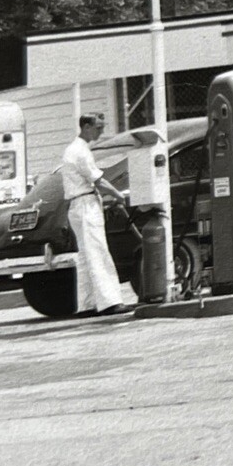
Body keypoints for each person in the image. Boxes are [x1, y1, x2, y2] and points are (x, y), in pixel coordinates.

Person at [60, 114, 132, 315]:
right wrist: (118, 195)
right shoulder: (80, 152)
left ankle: (87, 304)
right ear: (86, 126)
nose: (101, 132)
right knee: (98, 252)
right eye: (98, 127)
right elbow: (98, 180)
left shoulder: (72, 149)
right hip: (85, 204)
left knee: (85, 256)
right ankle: (110, 302)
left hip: (77, 205)